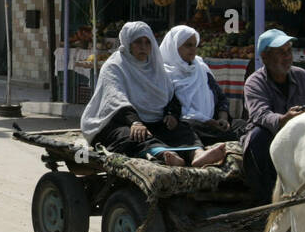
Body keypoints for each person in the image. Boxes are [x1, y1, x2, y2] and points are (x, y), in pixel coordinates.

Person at [81, 21, 227, 168]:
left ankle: (197, 154)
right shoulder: (115, 66)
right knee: (132, 135)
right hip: (117, 121)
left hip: (151, 121)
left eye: (147, 42)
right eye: (138, 42)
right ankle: (164, 155)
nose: (144, 47)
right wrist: (135, 122)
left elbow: (170, 95)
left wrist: (172, 114)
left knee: (182, 128)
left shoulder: (155, 67)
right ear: (128, 43)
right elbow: (115, 99)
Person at [243, 29, 305, 201]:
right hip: (270, 136)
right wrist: (284, 120)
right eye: (281, 52)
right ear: (265, 57)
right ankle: (265, 199)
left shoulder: (304, 77)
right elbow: (260, 115)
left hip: (302, 136)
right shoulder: (255, 82)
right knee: (258, 136)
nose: (287, 57)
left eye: (289, 51)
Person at [160, 24, 234, 145]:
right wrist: (207, 122)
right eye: (188, 45)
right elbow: (170, 109)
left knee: (242, 125)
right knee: (187, 130)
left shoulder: (201, 68)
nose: (193, 49)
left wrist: (223, 119)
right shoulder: (164, 73)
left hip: (213, 121)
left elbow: (221, 98)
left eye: (195, 45)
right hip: (189, 124)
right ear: (174, 47)